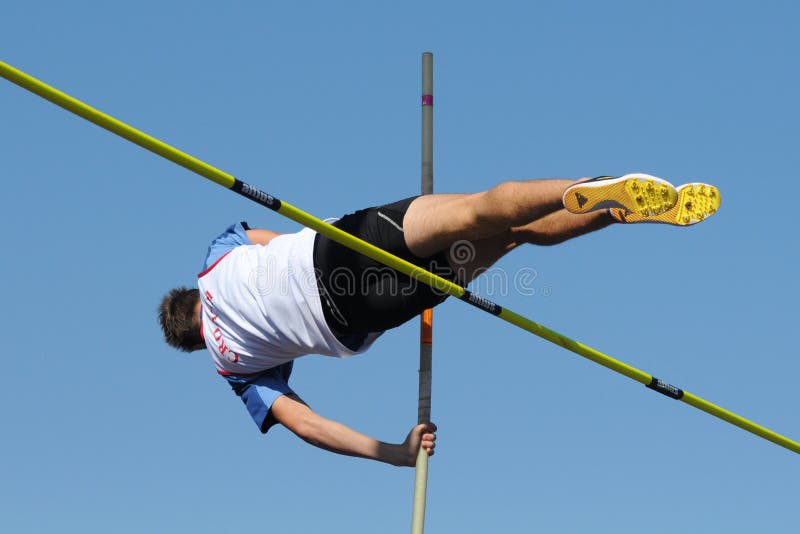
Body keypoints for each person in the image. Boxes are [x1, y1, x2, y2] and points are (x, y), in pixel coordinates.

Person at [158, 174, 720, 466]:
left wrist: (396, 453)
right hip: (335, 249)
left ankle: (615, 213)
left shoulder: (235, 371)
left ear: (197, 343)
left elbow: (308, 426)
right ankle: (588, 188)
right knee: (480, 209)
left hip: (362, 311)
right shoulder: (216, 255)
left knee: (511, 238)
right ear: (191, 292)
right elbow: (274, 239)